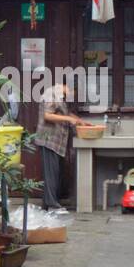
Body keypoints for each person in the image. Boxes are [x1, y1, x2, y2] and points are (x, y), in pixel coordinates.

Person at [31, 82, 81, 211]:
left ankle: (47, 205)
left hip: (56, 143)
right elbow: (48, 115)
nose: (72, 95)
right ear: (65, 85)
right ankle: (52, 204)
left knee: (54, 173)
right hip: (49, 140)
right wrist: (69, 120)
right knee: (51, 174)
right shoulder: (51, 93)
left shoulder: (59, 97)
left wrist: (81, 121)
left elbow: (64, 114)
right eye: (73, 91)